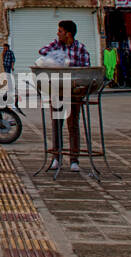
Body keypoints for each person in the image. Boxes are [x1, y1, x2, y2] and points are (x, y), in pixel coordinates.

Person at [38, 20, 91, 172]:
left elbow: (85, 69)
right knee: (56, 124)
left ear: (68, 33)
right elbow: (42, 52)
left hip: (74, 93)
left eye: (60, 31)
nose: (57, 33)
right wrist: (57, 52)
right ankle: (56, 157)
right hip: (57, 91)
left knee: (73, 125)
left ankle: (74, 159)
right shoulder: (56, 45)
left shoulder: (80, 49)